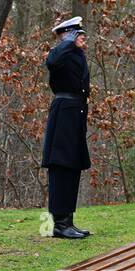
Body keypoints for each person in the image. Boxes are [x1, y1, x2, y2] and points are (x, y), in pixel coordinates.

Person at [42, 15, 91, 238]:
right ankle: (58, 224)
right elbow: (51, 62)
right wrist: (66, 42)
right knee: (61, 166)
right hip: (64, 115)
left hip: (75, 116)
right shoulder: (60, 54)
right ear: (68, 35)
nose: (82, 38)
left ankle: (67, 221)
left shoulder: (75, 55)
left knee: (71, 166)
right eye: (78, 35)